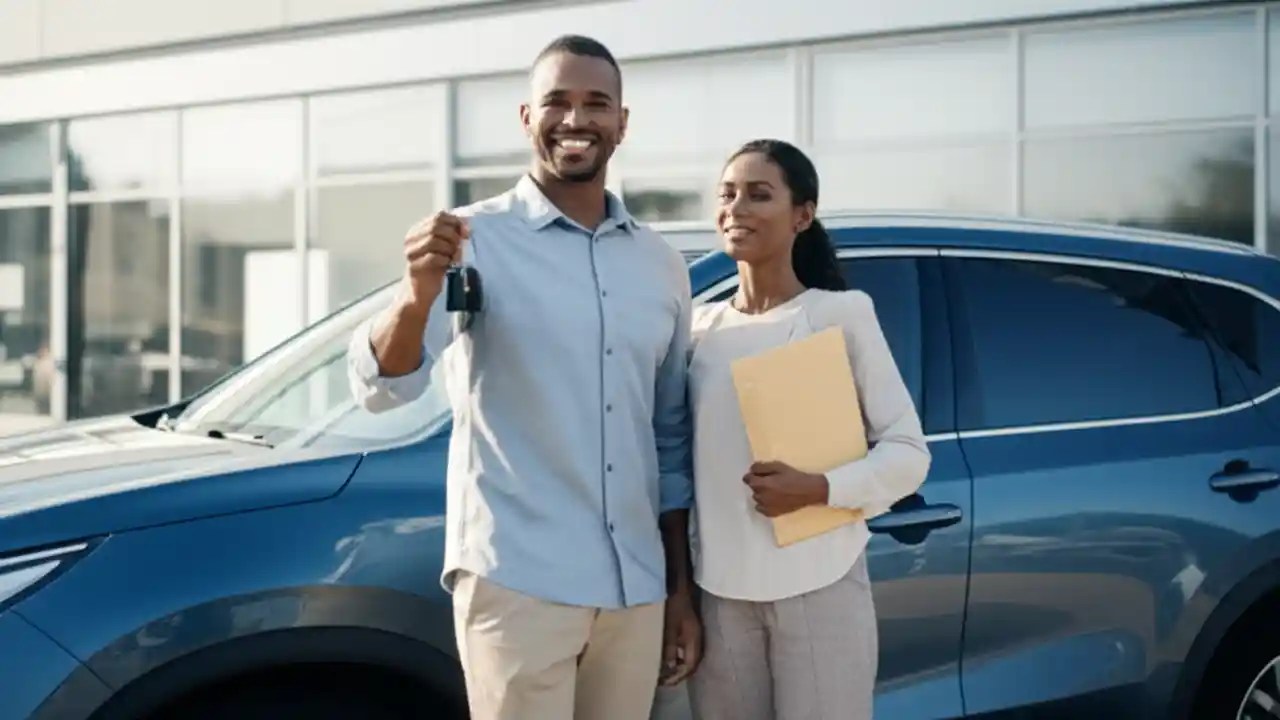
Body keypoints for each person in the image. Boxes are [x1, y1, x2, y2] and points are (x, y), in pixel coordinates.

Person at [346, 35, 700, 720]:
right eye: (557, 102)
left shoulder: (662, 265)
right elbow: (382, 387)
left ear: (622, 123)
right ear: (526, 117)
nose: (576, 120)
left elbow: (670, 438)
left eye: (596, 103)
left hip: (636, 589)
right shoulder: (470, 240)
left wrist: (680, 588)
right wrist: (417, 293)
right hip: (519, 580)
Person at [684, 139, 932, 720]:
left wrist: (818, 489)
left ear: (803, 214)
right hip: (720, 597)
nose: (736, 208)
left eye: (758, 195)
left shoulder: (837, 315)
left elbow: (908, 453)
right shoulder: (698, 330)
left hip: (820, 587)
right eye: (727, 194)